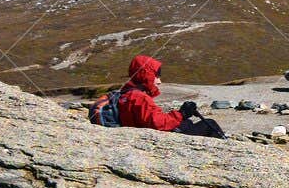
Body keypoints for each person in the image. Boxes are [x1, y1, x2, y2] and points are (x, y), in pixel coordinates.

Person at [90, 54, 226, 138]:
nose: (159, 81)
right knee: (209, 124)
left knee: (188, 123)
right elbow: (158, 123)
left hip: (137, 133)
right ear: (146, 74)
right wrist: (182, 114)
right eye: (156, 76)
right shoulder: (139, 98)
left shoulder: (125, 94)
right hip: (158, 137)